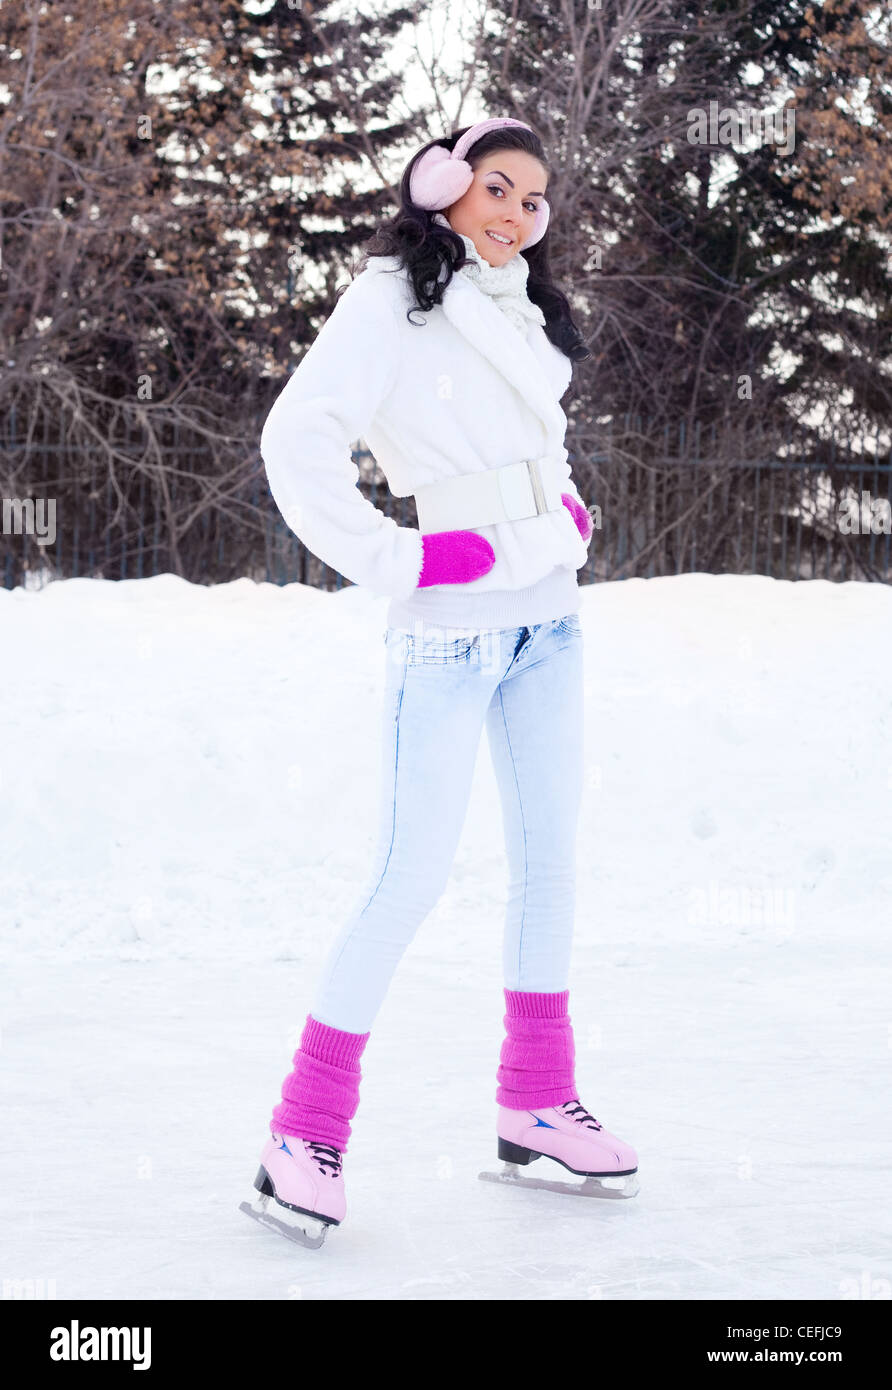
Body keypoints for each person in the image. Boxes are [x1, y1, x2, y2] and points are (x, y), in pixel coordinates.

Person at [249, 117, 638, 1239]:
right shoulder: (387, 301)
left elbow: (530, 439)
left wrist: (560, 510)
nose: (516, 215)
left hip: (548, 620)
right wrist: (399, 556)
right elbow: (297, 441)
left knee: (549, 864)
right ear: (444, 186)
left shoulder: (518, 303)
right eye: (498, 190)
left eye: (533, 202)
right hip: (450, 629)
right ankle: (301, 1130)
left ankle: (536, 1102)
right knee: (409, 876)